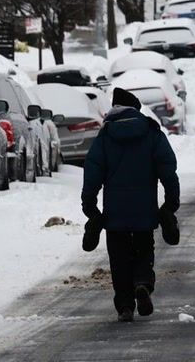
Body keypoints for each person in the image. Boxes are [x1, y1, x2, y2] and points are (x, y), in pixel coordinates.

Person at [82, 87, 180, 322]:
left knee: (119, 259)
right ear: (135, 108)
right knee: (144, 250)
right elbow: (168, 169)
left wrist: (90, 207)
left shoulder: (105, 137)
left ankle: (125, 305)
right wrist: (170, 202)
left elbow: (92, 173)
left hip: (115, 214)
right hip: (144, 211)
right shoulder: (151, 132)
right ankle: (143, 283)